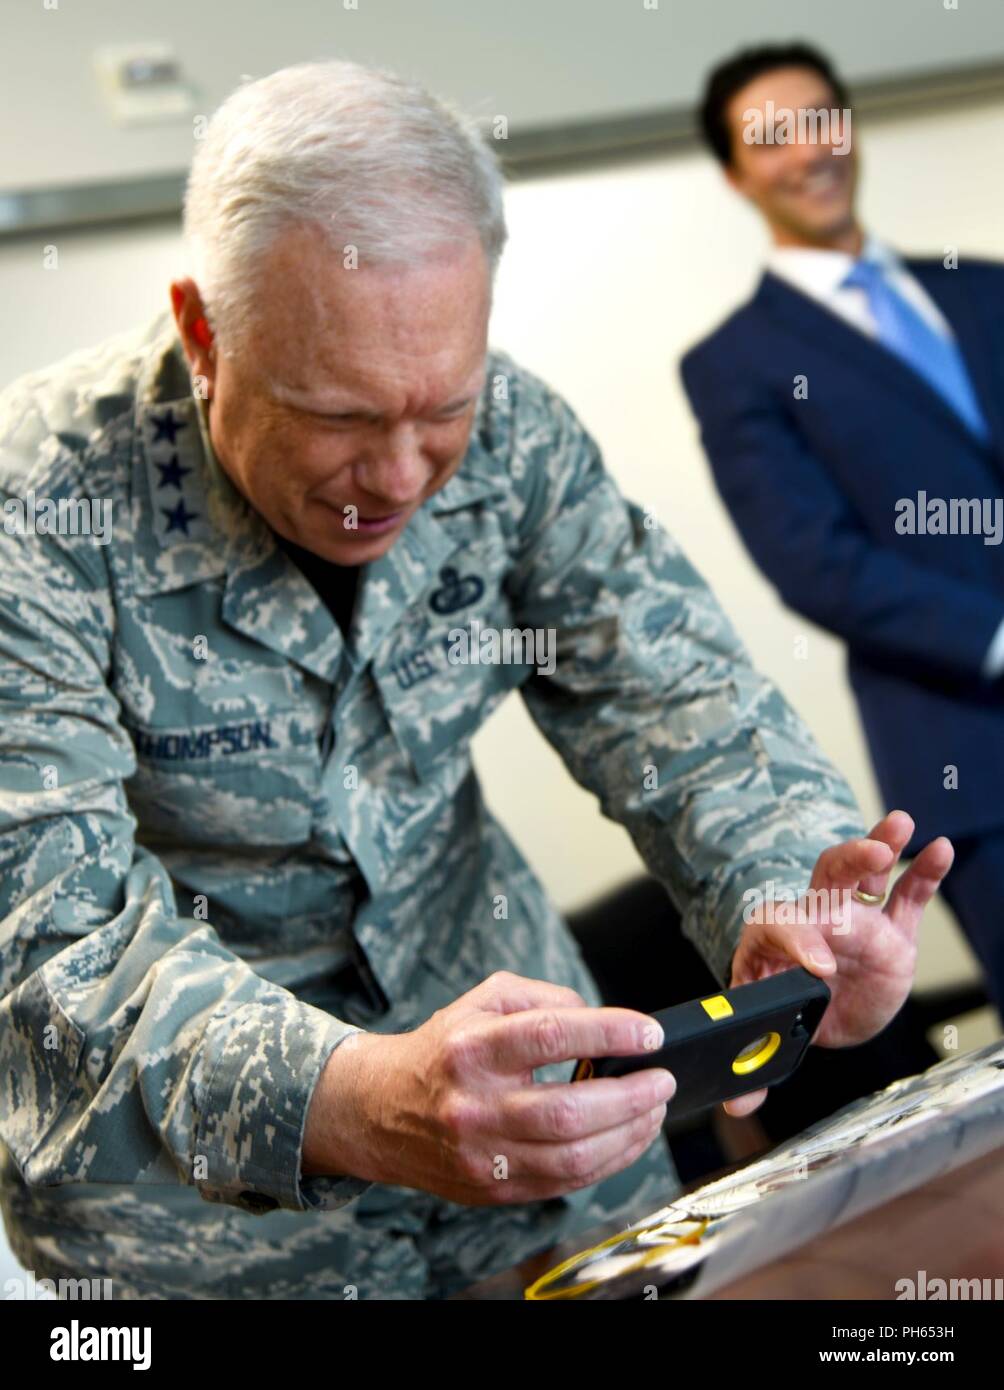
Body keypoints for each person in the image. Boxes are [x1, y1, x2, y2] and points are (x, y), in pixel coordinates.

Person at [0, 59, 952, 1301]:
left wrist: (789, 891)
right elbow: (53, 954)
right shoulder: (38, 513)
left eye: (439, 408)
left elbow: (673, 699)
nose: (398, 475)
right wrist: (352, 1099)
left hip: (549, 1152)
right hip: (212, 1242)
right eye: (336, 414)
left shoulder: (513, 433)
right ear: (203, 333)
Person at [680, 43, 1004, 1015]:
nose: (806, 150)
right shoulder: (734, 364)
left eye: (819, 118)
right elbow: (813, 563)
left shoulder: (984, 288)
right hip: (972, 753)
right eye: (771, 137)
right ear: (737, 173)